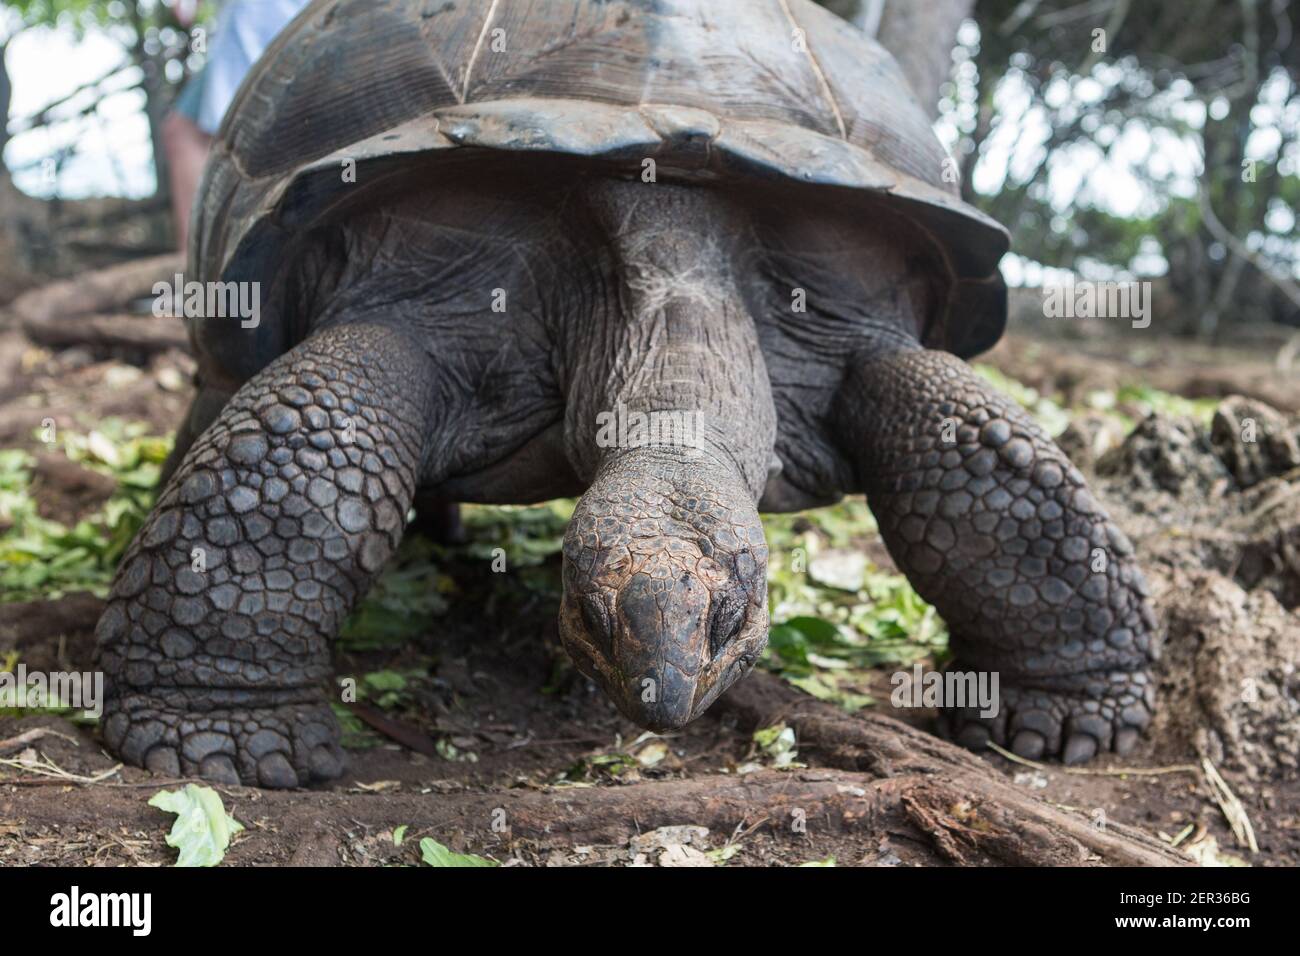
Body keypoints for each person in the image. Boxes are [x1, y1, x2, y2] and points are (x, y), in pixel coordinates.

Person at [163, 0, 311, 250]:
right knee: (185, 132)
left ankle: (203, 264)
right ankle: (201, 261)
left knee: (205, 136)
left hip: (265, 16)